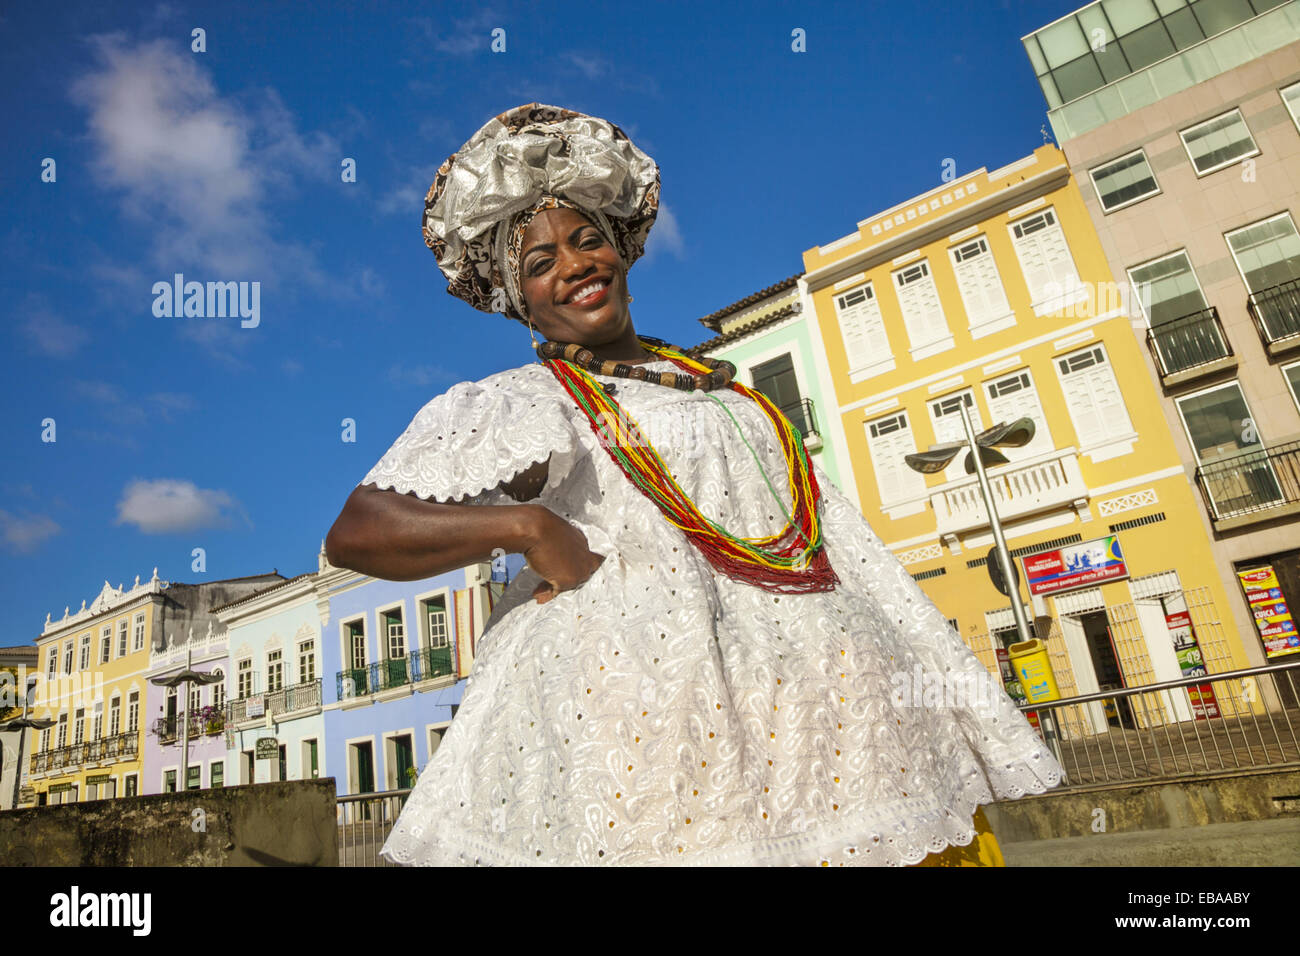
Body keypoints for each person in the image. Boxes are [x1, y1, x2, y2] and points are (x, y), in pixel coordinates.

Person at [325, 103, 1062, 867]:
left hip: (844, 726)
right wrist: (530, 530)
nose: (574, 264)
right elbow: (360, 529)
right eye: (540, 263)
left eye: (587, 241)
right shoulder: (530, 399)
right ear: (522, 303)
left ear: (620, 252)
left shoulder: (721, 390)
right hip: (670, 735)